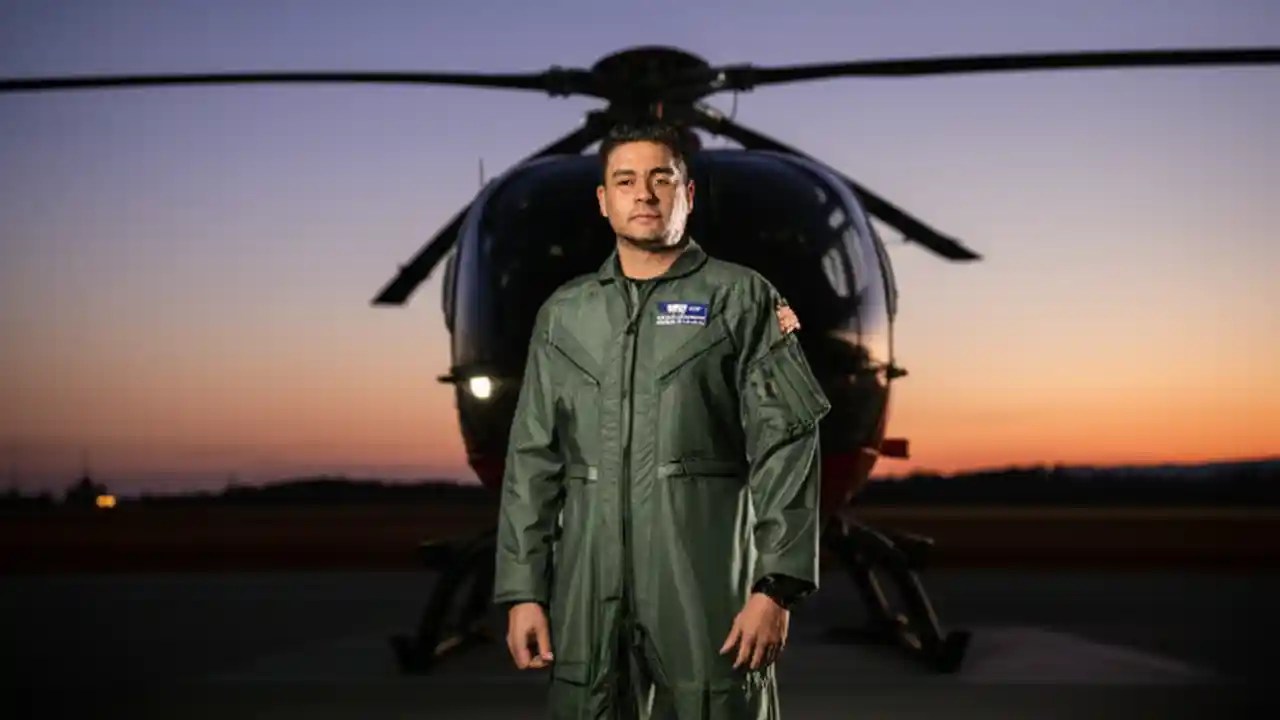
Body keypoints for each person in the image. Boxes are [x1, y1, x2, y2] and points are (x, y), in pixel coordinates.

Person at [493, 122, 830, 718]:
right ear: (604, 201)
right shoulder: (564, 315)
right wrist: (524, 592)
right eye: (625, 181)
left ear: (688, 194)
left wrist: (775, 587)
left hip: (703, 584)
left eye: (660, 178)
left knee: (718, 705)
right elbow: (532, 459)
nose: (643, 194)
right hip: (586, 588)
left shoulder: (741, 299)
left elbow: (788, 442)